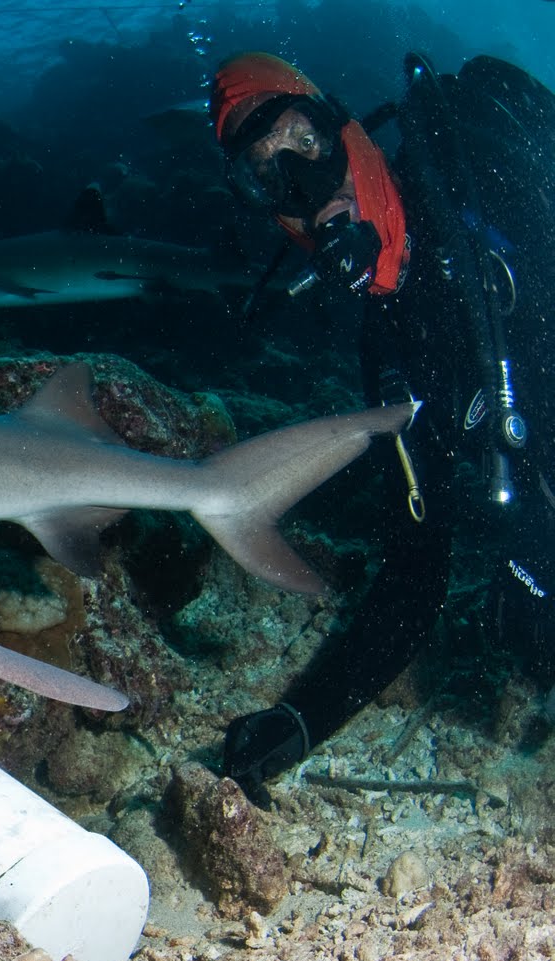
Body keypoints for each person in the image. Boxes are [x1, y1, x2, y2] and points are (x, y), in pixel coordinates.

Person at [208, 51, 555, 804]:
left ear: (347, 129)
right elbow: (415, 573)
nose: (304, 186)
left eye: (304, 143)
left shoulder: (492, 195)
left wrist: (540, 544)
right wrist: (301, 721)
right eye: (267, 175)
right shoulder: (390, 353)